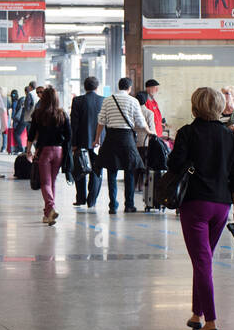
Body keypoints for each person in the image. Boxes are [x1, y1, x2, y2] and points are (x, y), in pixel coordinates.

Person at [167, 87, 234, 330]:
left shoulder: (187, 133)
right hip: (221, 207)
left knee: (202, 262)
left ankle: (211, 321)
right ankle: (197, 313)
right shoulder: (231, 136)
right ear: (221, 107)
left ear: (195, 108)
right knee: (204, 260)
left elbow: (173, 165)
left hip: (195, 205)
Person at [93, 77, 147, 215]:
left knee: (112, 172)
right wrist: (149, 131)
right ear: (129, 88)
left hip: (111, 138)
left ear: (119, 86)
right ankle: (129, 205)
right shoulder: (133, 101)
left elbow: (101, 121)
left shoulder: (108, 100)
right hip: (127, 139)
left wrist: (97, 139)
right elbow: (140, 123)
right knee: (129, 172)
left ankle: (113, 206)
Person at [26, 86, 70, 225]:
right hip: (59, 152)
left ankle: (51, 208)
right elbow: (69, 136)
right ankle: (47, 215)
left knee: (45, 182)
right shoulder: (62, 114)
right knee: (52, 182)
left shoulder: (38, 114)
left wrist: (28, 150)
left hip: (44, 151)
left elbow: (31, 134)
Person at [70, 76, 104, 211]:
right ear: (97, 87)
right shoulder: (103, 101)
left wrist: (73, 143)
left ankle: (80, 198)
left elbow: (74, 124)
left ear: (85, 87)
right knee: (96, 171)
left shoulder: (77, 101)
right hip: (98, 142)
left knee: (80, 169)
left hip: (81, 142)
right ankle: (92, 200)